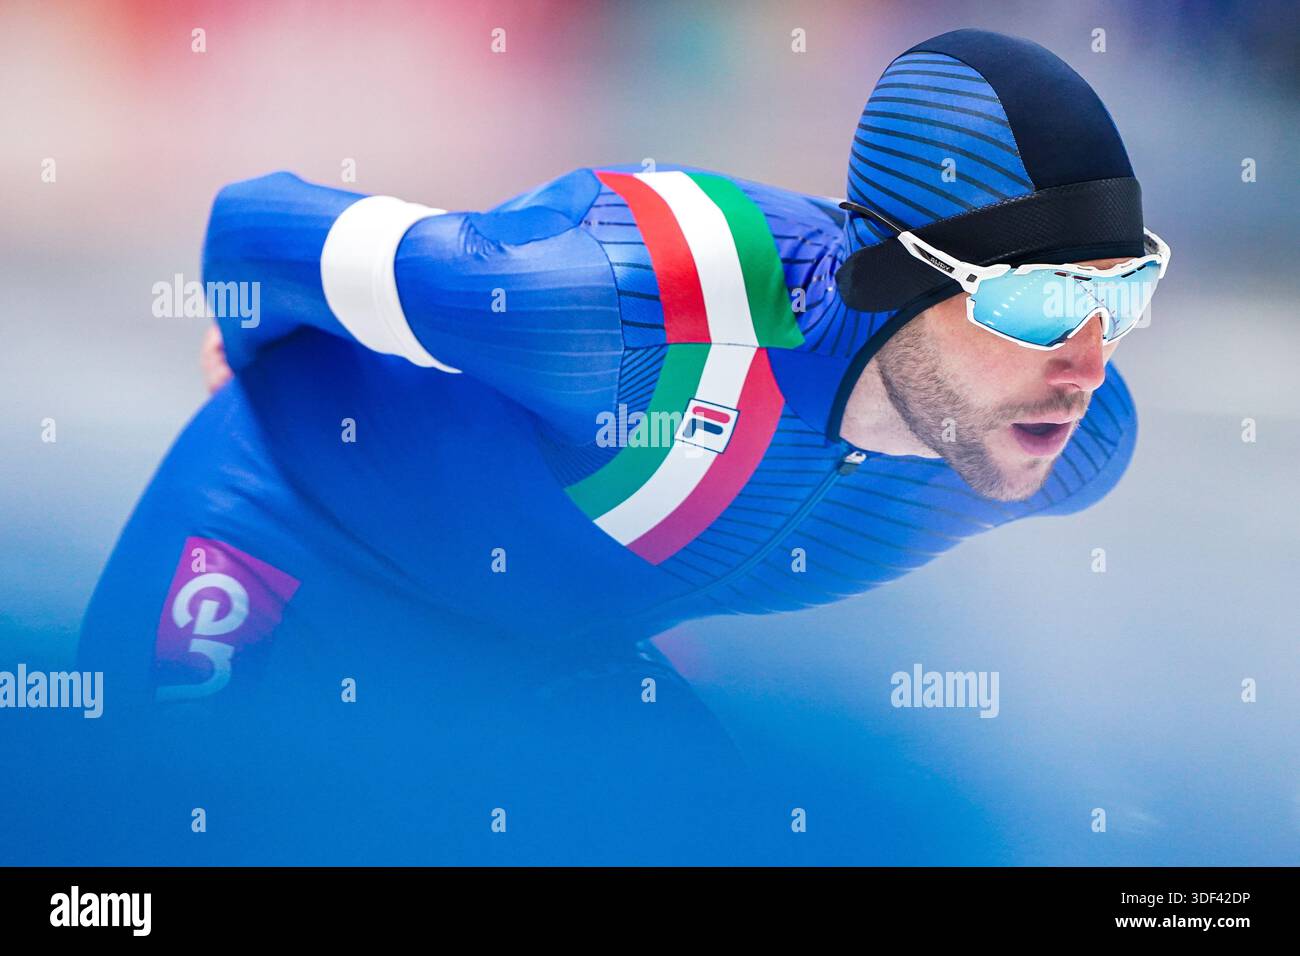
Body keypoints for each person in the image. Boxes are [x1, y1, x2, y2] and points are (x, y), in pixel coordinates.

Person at [75, 29, 1168, 859]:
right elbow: (255, 223)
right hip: (276, 541)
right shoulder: (617, 301)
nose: (1086, 361)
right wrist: (253, 346)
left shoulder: (1055, 441)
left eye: (1120, 294)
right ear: (898, 278)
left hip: (544, 649)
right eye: (1037, 301)